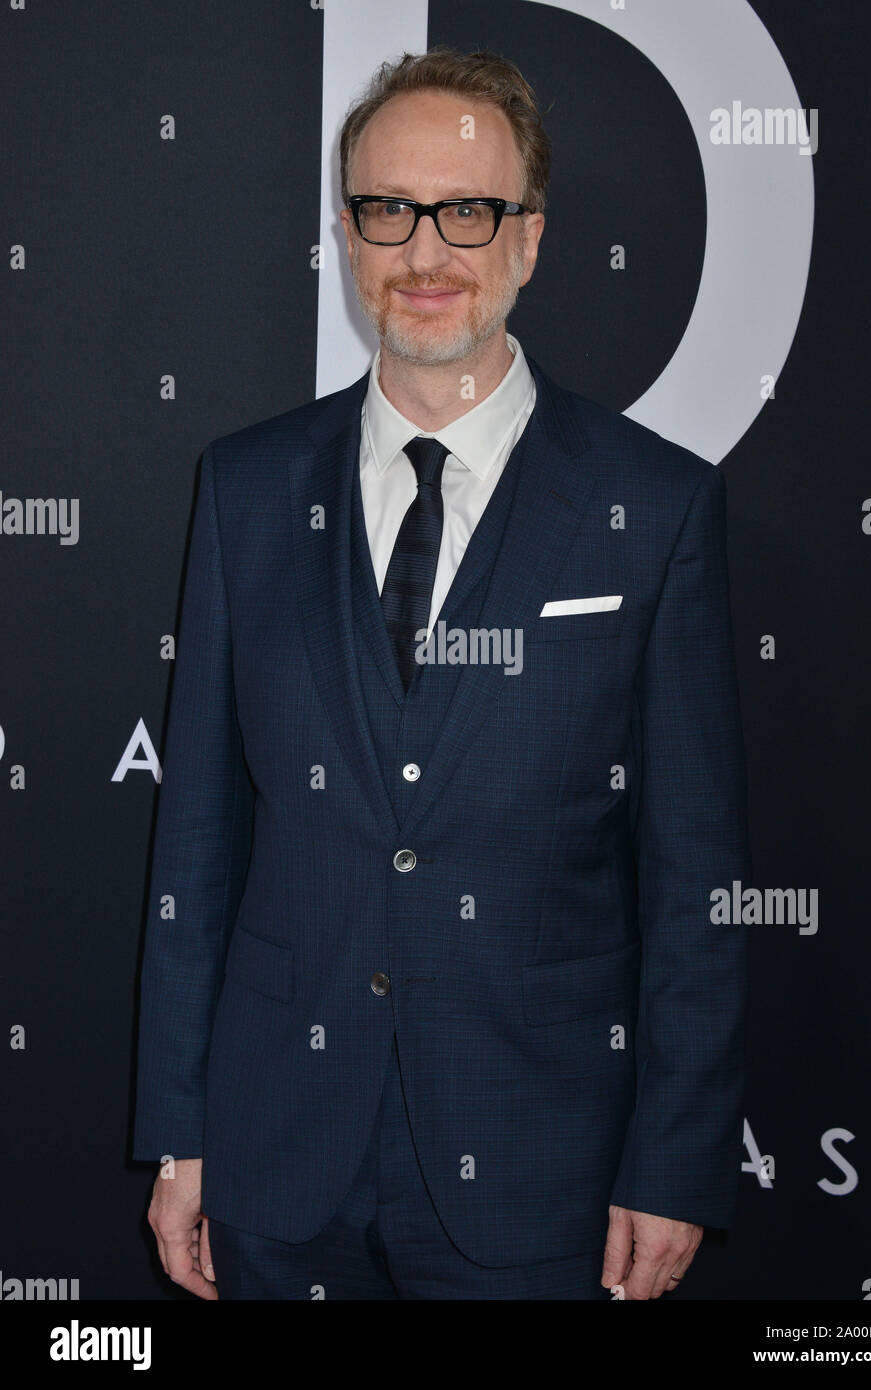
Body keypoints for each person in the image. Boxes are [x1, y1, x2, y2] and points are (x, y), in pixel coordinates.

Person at [133, 46, 750, 1301]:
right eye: (386, 211)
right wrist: (181, 1127)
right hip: (274, 1155)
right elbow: (196, 840)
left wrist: (676, 1158)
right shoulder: (244, 489)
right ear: (345, 236)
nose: (424, 253)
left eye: (466, 211)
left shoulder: (654, 505)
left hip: (544, 1166)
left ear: (527, 238)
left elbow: (696, 875)